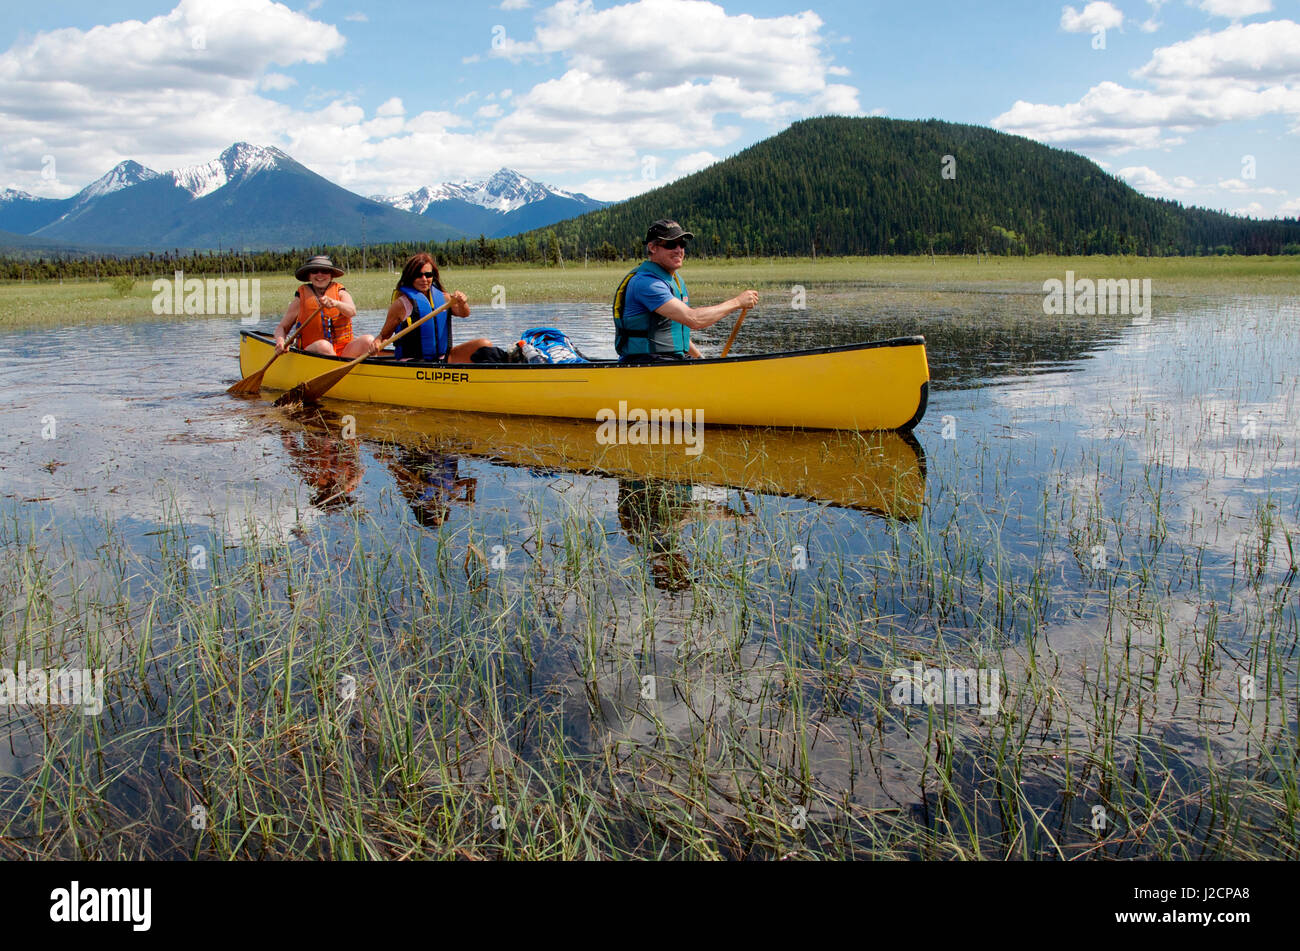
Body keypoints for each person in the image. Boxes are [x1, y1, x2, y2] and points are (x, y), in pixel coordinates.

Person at [612, 220, 758, 361]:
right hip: (647, 363)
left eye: (682, 244)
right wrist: (737, 302)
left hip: (668, 360)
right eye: (671, 244)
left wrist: (701, 360)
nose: (679, 250)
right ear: (652, 248)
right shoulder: (646, 284)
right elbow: (694, 319)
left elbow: (679, 336)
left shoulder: (674, 280)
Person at [377, 253, 488, 363]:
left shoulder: (444, 298)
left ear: (433, 276)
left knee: (483, 345)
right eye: (418, 275)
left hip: (442, 359)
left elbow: (464, 313)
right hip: (413, 361)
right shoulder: (401, 304)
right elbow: (383, 335)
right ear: (410, 277)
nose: (424, 279)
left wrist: (462, 303)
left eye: (428, 275)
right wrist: (376, 343)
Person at [273, 255, 375, 358]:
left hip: (343, 351)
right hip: (313, 351)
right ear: (309, 276)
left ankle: (353, 370)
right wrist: (280, 341)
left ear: (331, 275)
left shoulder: (340, 293)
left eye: (325, 271)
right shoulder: (300, 299)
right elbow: (282, 327)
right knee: (324, 346)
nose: (320, 275)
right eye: (314, 271)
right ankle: (337, 369)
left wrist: (335, 303)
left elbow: (352, 311)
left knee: (369, 341)